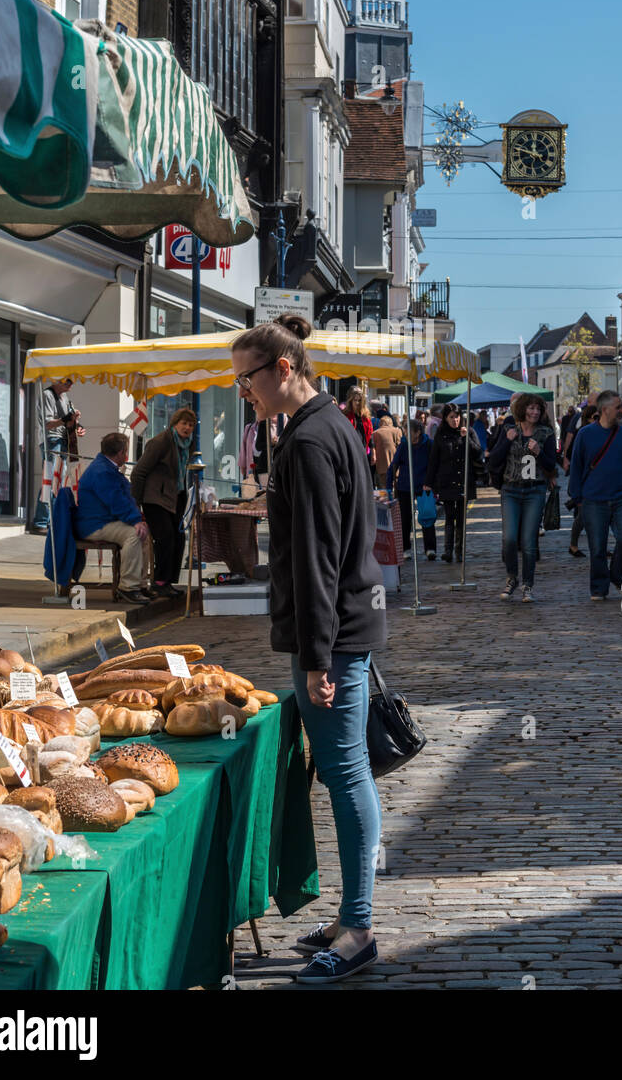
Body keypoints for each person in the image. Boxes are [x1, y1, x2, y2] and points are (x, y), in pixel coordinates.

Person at [231, 315, 385, 983]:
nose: (244, 391)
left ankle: (357, 928)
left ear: (284, 369)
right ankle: (351, 913)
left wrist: (318, 657)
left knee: (347, 773)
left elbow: (319, 557)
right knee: (343, 770)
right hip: (343, 624)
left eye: (249, 377)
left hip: (334, 632)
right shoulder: (323, 427)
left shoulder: (309, 442)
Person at [568, 390, 622, 601]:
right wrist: (576, 496)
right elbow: (576, 466)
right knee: (597, 546)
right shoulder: (585, 435)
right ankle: (598, 587)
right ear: (605, 410)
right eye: (618, 407)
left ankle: (616, 574)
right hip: (593, 499)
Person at [488, 395, 557, 601]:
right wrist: (506, 441)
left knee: (528, 541)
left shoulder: (546, 433)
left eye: (538, 409)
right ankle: (512, 578)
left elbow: (551, 465)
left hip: (534, 491)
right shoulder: (510, 431)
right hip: (511, 490)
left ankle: (527, 584)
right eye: (531, 408)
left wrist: (539, 453)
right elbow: (493, 461)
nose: (535, 412)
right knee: (509, 539)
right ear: (522, 410)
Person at [76, 433, 151, 605]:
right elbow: (116, 502)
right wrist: (135, 520)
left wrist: (138, 518)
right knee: (134, 534)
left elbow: (124, 498)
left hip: (102, 520)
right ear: (121, 452)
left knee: (143, 533)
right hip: (94, 524)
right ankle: (128, 587)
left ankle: (140, 584)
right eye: (126, 450)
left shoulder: (106, 467)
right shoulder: (102, 472)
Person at [130, 407, 196, 598]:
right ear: (175, 423)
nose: (187, 428)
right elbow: (139, 472)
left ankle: (168, 581)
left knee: (179, 538)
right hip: (155, 498)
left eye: (190, 425)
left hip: (175, 497)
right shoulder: (161, 442)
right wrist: (137, 503)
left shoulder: (188, 444)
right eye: (184, 423)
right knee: (165, 538)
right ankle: (159, 582)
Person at [425, 403, 481, 563]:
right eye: (451, 417)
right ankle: (448, 550)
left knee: (461, 518)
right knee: (449, 517)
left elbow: (478, 453)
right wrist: (428, 482)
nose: (455, 420)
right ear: (445, 418)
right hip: (447, 481)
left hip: (464, 480)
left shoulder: (469, 432)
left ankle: (459, 551)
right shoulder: (441, 434)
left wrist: (466, 439)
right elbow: (434, 459)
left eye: (457, 417)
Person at [31, 377, 86, 531]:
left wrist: (77, 425)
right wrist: (66, 419)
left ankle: (49, 521)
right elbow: (48, 424)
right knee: (51, 480)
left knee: (58, 481)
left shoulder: (64, 397)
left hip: (61, 440)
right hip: (52, 440)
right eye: (67, 380)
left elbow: (68, 419)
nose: (71, 383)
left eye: (72, 380)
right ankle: (42, 521)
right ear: (56, 380)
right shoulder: (48, 395)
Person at [387, 419, 437, 559]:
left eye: (408, 431)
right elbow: (393, 465)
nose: (405, 433)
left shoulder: (428, 445)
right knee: (405, 519)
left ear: (418, 432)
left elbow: (434, 466)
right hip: (405, 486)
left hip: (424, 485)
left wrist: (433, 484)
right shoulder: (403, 445)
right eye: (404, 430)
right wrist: (388, 486)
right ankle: (405, 549)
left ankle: (430, 548)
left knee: (427, 516)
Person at [567, 403, 598, 556]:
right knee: (582, 517)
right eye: (595, 417)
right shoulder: (582, 433)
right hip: (585, 481)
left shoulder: (604, 432)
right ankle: (573, 545)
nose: (598, 420)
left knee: (599, 518)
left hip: (600, 481)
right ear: (588, 418)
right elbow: (574, 458)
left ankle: (599, 547)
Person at [342, 386, 374, 480]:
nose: (357, 403)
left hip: (363, 450)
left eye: (359, 400)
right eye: (355, 400)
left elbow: (370, 435)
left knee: (363, 477)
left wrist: (373, 452)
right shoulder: (345, 415)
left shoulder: (365, 417)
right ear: (350, 401)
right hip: (350, 451)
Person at [371, 413, 401, 490]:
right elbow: (400, 446)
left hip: (381, 465)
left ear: (380, 423)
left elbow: (372, 448)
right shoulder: (397, 431)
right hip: (396, 464)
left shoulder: (375, 433)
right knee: (396, 485)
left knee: (383, 486)